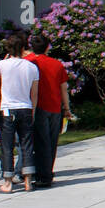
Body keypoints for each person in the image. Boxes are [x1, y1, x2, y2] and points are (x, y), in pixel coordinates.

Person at [0, 34, 38, 193]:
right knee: (27, 145)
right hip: (26, 107)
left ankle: (8, 182)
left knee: (7, 146)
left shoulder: (2, 64)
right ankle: (28, 180)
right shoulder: (31, 67)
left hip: (8, 109)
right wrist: (33, 111)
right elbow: (34, 93)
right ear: (24, 49)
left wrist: (4, 60)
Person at [23, 34, 71, 188]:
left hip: (38, 107)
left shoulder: (28, 62)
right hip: (55, 107)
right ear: (48, 47)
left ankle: (44, 176)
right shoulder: (57, 64)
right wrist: (67, 108)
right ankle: (47, 171)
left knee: (41, 142)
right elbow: (64, 89)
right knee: (51, 142)